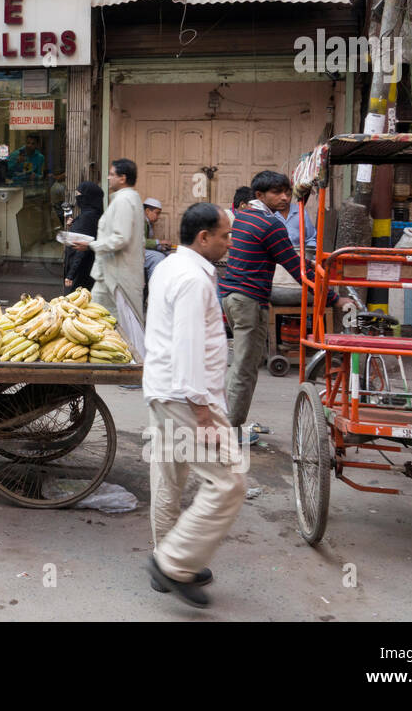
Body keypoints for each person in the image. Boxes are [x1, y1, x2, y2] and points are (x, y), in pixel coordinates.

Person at [143, 202, 245, 609]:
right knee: (229, 480)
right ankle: (173, 561)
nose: (229, 243)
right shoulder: (192, 279)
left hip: (165, 390)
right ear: (203, 238)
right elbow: (187, 348)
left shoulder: (172, 266)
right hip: (185, 395)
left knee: (170, 476)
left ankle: (169, 560)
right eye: (225, 236)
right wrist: (202, 411)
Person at [219, 171, 350, 441]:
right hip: (248, 300)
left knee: (241, 365)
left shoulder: (243, 216)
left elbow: (284, 257)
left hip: (231, 297)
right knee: (245, 368)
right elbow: (296, 268)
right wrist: (335, 299)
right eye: (277, 192)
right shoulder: (270, 224)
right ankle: (228, 432)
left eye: (287, 192)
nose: (285, 197)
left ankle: (226, 422)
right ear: (259, 195)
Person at [73, 158, 146, 333]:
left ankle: (131, 357)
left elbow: (120, 239)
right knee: (100, 320)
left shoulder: (124, 201)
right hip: (109, 273)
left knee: (120, 324)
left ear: (123, 178)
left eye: (112, 174)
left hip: (117, 276)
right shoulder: (128, 199)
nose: (108, 178)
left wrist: (91, 244)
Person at [63, 180, 103, 291]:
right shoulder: (92, 214)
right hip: (87, 269)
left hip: (80, 273)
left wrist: (71, 274)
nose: (76, 198)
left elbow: (82, 248)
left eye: (78, 195)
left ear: (88, 197)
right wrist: (75, 223)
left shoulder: (87, 217)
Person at [143, 197, 170, 279]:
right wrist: (159, 242)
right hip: (134, 252)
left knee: (166, 253)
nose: (158, 217)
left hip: (142, 250)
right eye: (157, 213)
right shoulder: (140, 220)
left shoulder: (148, 222)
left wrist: (160, 246)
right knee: (158, 257)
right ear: (147, 211)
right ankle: (153, 285)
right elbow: (141, 242)